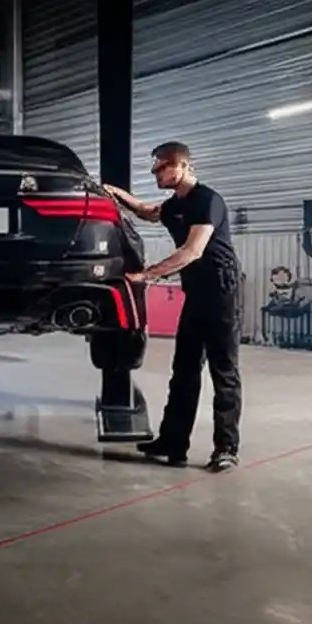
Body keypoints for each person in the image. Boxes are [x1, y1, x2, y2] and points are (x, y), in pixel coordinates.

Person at [103, 141, 244, 472]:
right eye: (154, 169)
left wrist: (147, 275)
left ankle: (226, 449)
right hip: (195, 293)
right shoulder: (175, 204)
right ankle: (173, 442)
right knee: (184, 372)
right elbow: (148, 212)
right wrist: (116, 193)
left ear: (182, 166)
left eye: (161, 168)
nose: (156, 174)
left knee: (224, 373)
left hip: (221, 292)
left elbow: (192, 251)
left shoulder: (208, 201)